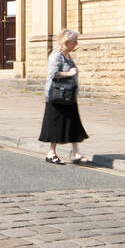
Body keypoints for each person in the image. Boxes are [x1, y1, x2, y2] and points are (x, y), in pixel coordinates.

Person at [40, 29, 90, 163]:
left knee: (73, 123)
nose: (76, 43)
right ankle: (51, 152)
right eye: (74, 41)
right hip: (56, 97)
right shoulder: (56, 55)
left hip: (68, 95)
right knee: (56, 125)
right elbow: (53, 74)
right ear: (66, 41)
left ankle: (76, 152)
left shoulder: (67, 55)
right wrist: (69, 73)